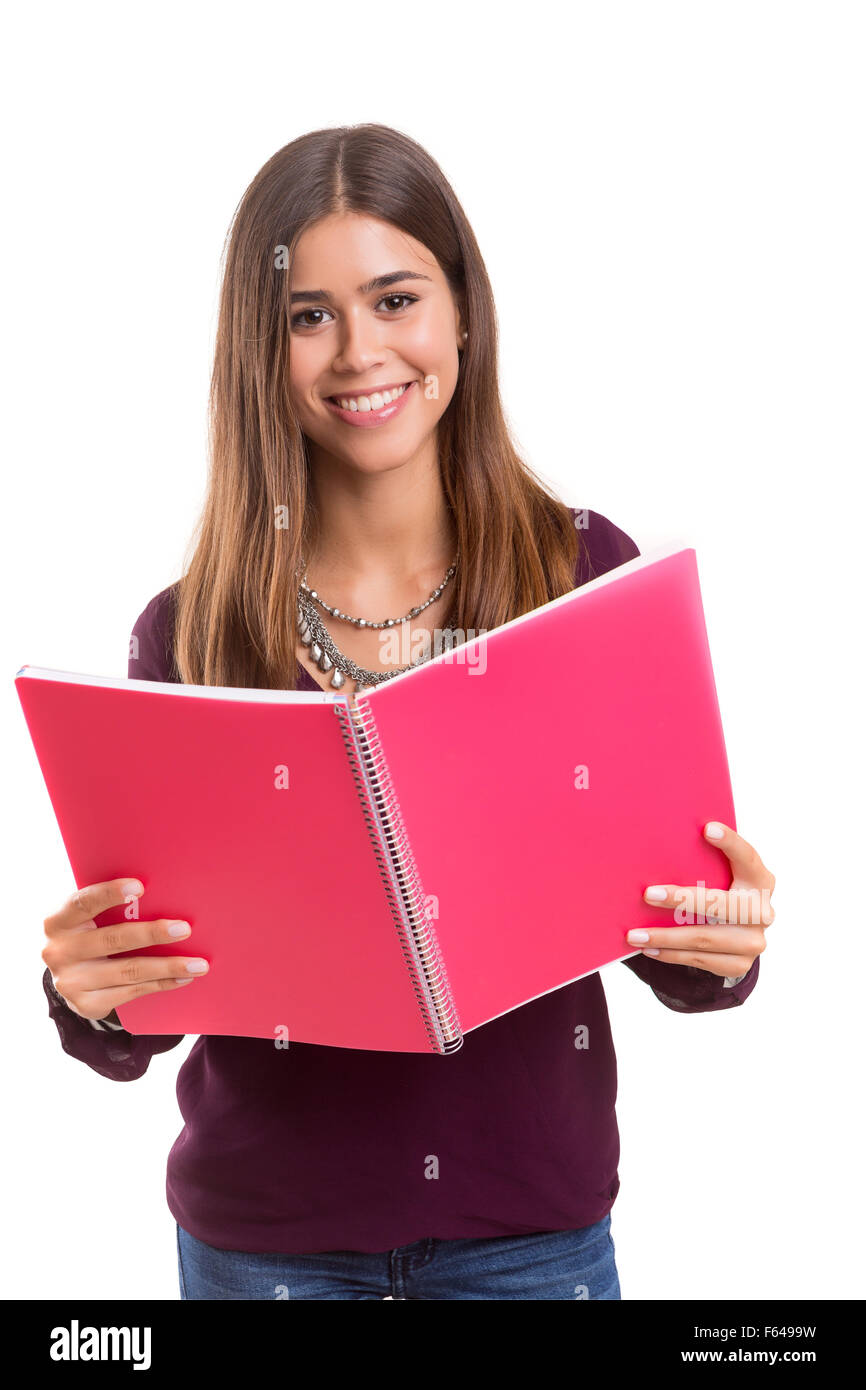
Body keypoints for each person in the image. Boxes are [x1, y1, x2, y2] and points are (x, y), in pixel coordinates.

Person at [40, 124, 774, 1301]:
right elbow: (141, 1011)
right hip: (264, 1246)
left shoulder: (584, 576)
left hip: (528, 1236)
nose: (359, 351)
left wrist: (719, 939)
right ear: (259, 348)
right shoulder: (188, 631)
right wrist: (89, 996)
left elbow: (677, 955)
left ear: (461, 315)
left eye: (394, 298)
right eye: (308, 315)